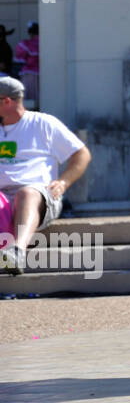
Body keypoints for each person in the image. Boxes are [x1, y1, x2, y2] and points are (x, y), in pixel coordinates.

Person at [0, 77, 92, 274]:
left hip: (39, 196)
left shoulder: (43, 123)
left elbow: (82, 154)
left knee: (27, 193)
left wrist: (64, 182)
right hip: (3, 196)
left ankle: (17, 251)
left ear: (7, 101)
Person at [14, 22, 38, 108]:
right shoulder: (44, 43)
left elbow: (20, 58)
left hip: (29, 73)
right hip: (42, 73)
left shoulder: (27, 44)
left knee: (29, 98)